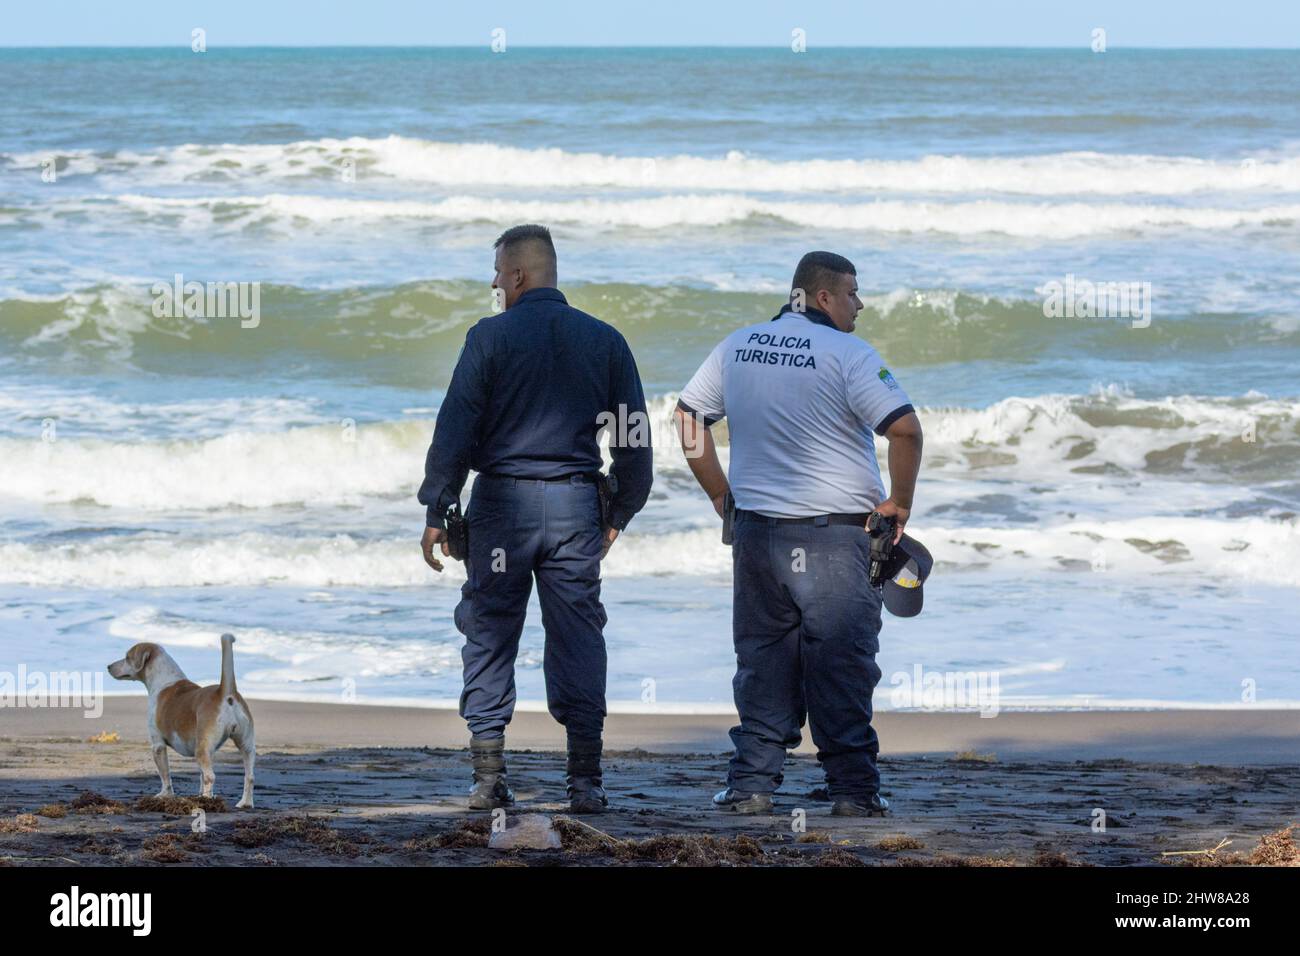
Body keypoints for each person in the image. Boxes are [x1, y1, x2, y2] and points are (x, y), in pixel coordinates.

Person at [673, 251, 923, 816]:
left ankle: (751, 787)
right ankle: (854, 794)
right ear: (824, 297)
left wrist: (719, 494)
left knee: (763, 661)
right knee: (841, 664)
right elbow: (905, 429)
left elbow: (688, 420)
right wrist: (899, 503)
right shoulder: (849, 353)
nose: (861, 304)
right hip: (836, 539)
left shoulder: (738, 345)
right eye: (854, 293)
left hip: (759, 536)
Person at [418, 224, 653, 813]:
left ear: (518, 275)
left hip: (501, 507)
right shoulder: (606, 341)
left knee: (490, 632)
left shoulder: (489, 339)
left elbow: (456, 427)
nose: (494, 282)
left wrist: (439, 506)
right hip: (576, 507)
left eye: (498, 271)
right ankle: (585, 781)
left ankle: (489, 778)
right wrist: (618, 511)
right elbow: (635, 443)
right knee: (578, 635)